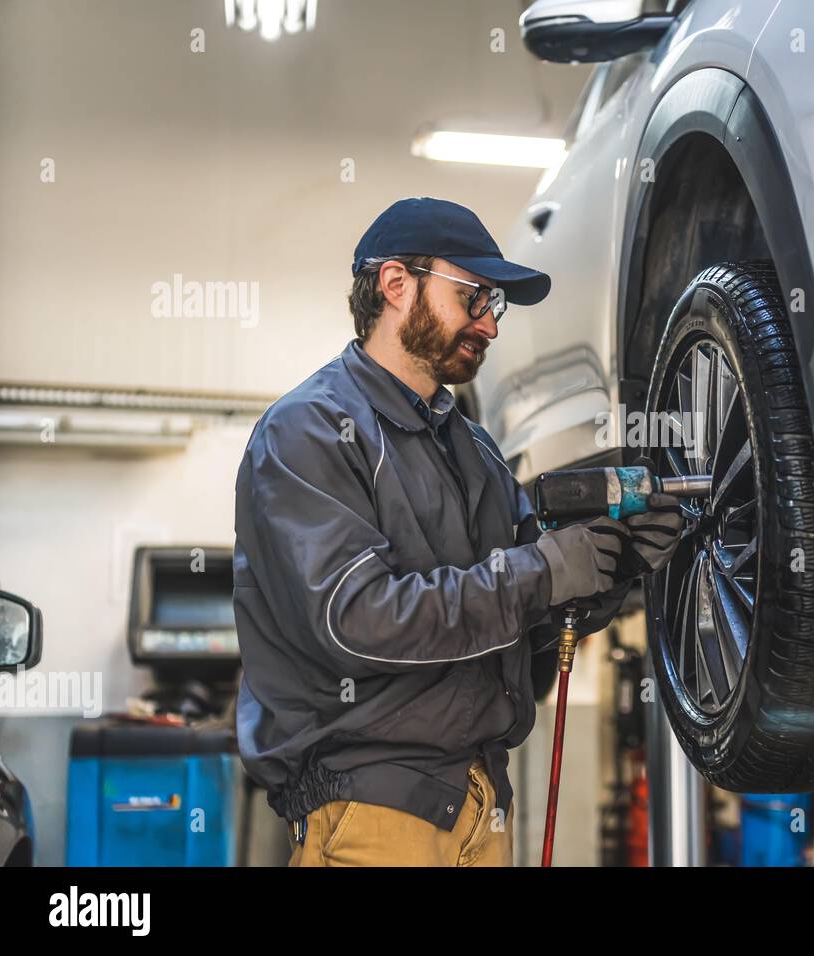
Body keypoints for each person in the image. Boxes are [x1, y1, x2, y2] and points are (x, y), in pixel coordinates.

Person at [232, 197, 684, 866]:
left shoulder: (472, 448)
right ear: (394, 285)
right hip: (372, 811)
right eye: (472, 296)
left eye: (493, 305)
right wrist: (548, 570)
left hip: (479, 803)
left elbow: (521, 615)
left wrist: (607, 572)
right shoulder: (311, 431)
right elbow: (358, 621)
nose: (489, 325)